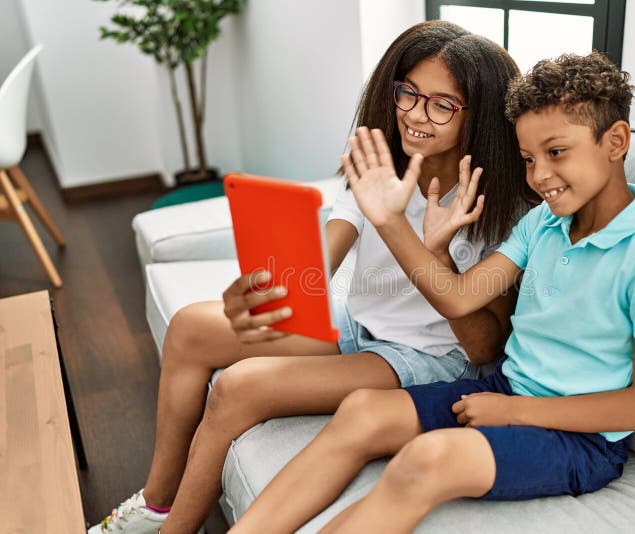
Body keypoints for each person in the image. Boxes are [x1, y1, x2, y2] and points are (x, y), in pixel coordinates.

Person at [224, 51, 635, 533]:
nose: (539, 176)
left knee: (426, 459)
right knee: (363, 410)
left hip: (580, 440)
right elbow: (457, 297)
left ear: (615, 141)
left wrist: (515, 411)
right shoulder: (543, 224)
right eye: (529, 159)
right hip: (504, 389)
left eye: (556, 153)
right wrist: (412, 235)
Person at [91, 20, 532, 533]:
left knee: (238, 387)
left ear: (478, 118)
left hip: (431, 360)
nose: (414, 114)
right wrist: (264, 294)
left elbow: (482, 349)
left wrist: (418, 241)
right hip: (360, 324)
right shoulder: (379, 165)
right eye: (406, 93)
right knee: (192, 325)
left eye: (440, 104)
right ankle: (156, 505)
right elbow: (315, 270)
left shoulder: (500, 208)